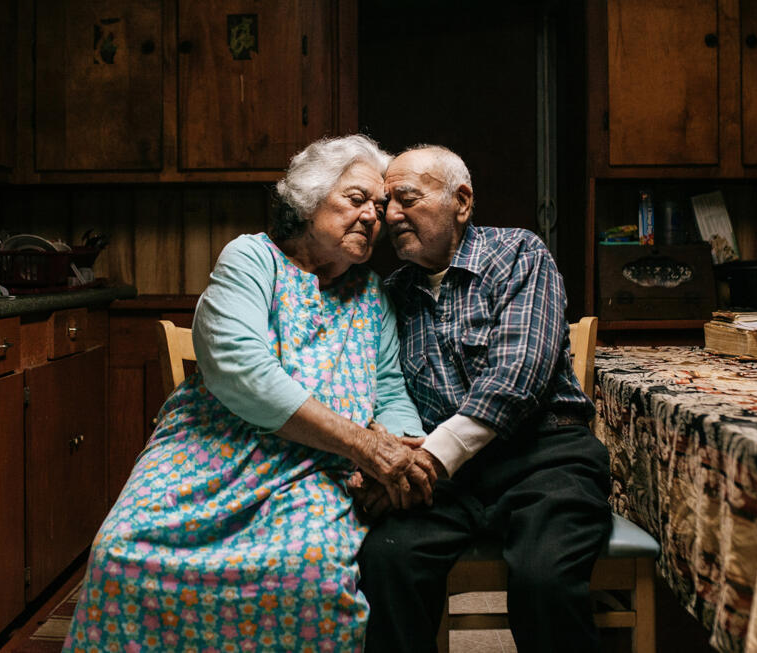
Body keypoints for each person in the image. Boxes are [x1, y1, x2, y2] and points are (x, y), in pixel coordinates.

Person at [63, 135, 435, 653]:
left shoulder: (372, 293)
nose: (373, 216)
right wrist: (365, 446)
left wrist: (397, 451)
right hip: (208, 450)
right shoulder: (252, 258)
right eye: (356, 199)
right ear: (308, 200)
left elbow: (391, 392)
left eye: (379, 206)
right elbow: (241, 369)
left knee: (312, 572)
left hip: (314, 469)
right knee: (120, 551)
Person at [356, 145, 612, 652]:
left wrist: (428, 457)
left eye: (407, 198)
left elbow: (517, 376)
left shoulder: (519, 253)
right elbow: (383, 390)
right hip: (448, 475)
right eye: (388, 203)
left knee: (544, 579)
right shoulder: (390, 292)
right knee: (386, 562)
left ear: (463, 202)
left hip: (545, 456)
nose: (392, 215)